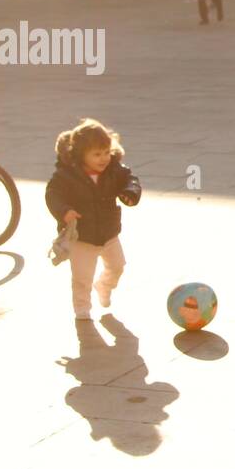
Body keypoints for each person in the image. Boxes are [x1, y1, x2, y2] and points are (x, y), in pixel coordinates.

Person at [45, 119, 142, 322]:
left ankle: (105, 285)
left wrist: (130, 192)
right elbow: (53, 194)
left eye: (106, 152)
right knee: (82, 277)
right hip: (82, 235)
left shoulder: (114, 170)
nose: (103, 159)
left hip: (108, 232)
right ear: (81, 154)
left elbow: (130, 179)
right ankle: (82, 308)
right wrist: (65, 211)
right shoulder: (66, 176)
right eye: (96, 154)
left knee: (117, 266)